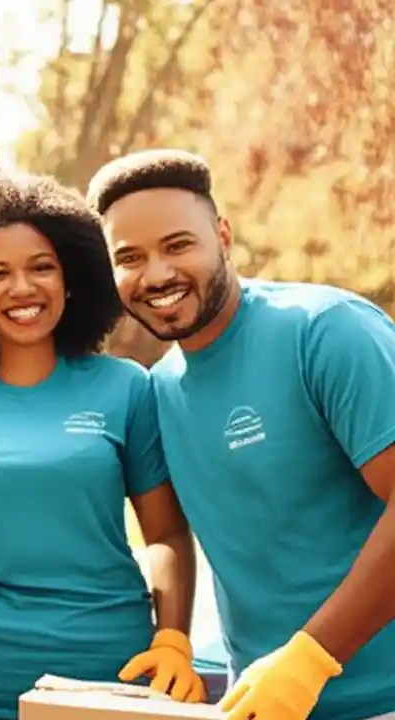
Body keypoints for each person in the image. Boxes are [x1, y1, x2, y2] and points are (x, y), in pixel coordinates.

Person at [0, 174, 205, 720]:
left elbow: (166, 533)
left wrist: (172, 638)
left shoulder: (125, 388)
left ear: (71, 278)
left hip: (111, 679)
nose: (22, 287)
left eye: (41, 267)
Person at [89, 149, 395, 720]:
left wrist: (312, 658)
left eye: (178, 245)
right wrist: (175, 641)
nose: (156, 274)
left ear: (223, 236)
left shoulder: (325, 333)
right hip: (257, 704)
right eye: (130, 257)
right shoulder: (160, 391)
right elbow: (174, 538)